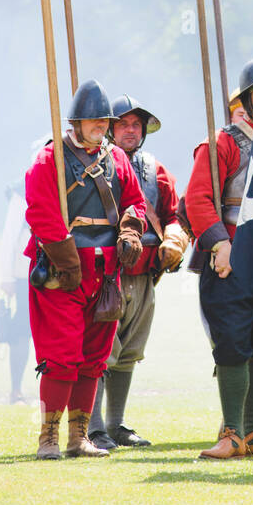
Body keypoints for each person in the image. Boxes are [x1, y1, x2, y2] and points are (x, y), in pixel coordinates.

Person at [25, 79, 146, 460]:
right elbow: (41, 212)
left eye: (103, 120)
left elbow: (135, 203)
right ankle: (49, 438)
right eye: (92, 120)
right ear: (76, 122)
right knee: (61, 356)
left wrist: (129, 231)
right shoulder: (51, 159)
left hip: (106, 271)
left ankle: (79, 437)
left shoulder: (117, 159)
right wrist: (66, 259)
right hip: (63, 270)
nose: (99, 126)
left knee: (95, 356)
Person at [185, 57, 253, 461]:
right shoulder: (223, 143)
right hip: (228, 256)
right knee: (233, 342)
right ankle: (231, 432)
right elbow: (198, 199)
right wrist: (219, 243)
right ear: (246, 98)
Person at [87, 95, 189, 451]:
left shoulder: (155, 169)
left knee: (130, 350)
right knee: (102, 349)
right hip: (107, 272)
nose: (130, 131)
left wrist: (175, 236)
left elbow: (173, 212)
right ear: (111, 129)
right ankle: (93, 426)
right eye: (123, 124)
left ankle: (116, 424)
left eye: (136, 125)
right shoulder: (95, 164)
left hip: (146, 273)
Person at [0, 179, 31, 404]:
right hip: (24, 275)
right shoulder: (22, 193)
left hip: (58, 272)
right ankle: (16, 389)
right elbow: (10, 236)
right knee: (21, 332)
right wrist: (7, 277)